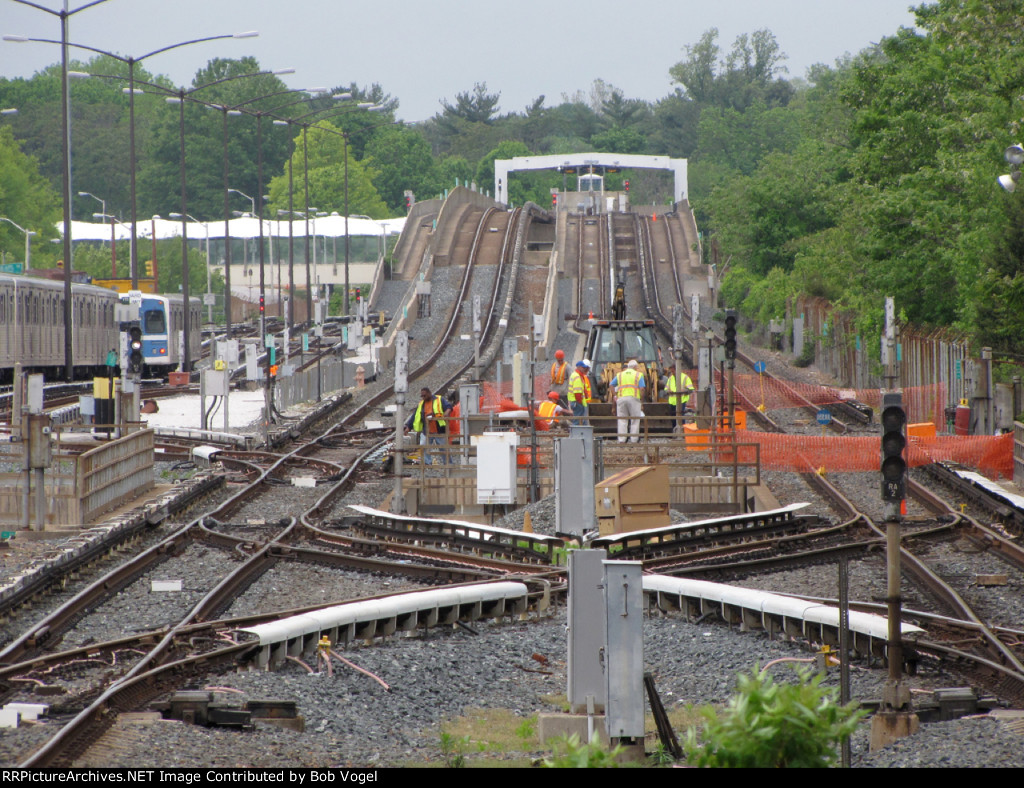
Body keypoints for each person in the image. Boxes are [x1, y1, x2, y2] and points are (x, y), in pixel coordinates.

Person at [404, 387, 452, 465]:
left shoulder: (439, 399)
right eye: (422, 396)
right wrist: (408, 426)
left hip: (439, 430)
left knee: (443, 448)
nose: (423, 398)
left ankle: (448, 464)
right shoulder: (421, 404)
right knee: (423, 447)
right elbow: (414, 416)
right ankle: (427, 463)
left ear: (429, 393)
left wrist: (446, 413)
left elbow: (449, 407)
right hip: (427, 431)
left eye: (425, 396)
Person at [610, 359, 645, 442]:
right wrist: (641, 401)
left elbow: (611, 385)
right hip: (634, 399)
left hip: (621, 399)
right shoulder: (638, 375)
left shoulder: (620, 375)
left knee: (622, 420)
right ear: (635, 367)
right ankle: (634, 440)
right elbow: (642, 388)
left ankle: (622, 440)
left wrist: (615, 395)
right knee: (635, 420)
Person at [568, 359, 592, 425]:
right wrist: (580, 402)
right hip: (577, 402)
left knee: (579, 420)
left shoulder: (575, 375)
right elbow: (577, 393)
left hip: (575, 401)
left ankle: (580, 433)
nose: (584, 369)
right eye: (583, 367)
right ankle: (576, 434)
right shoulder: (577, 377)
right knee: (578, 421)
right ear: (579, 367)